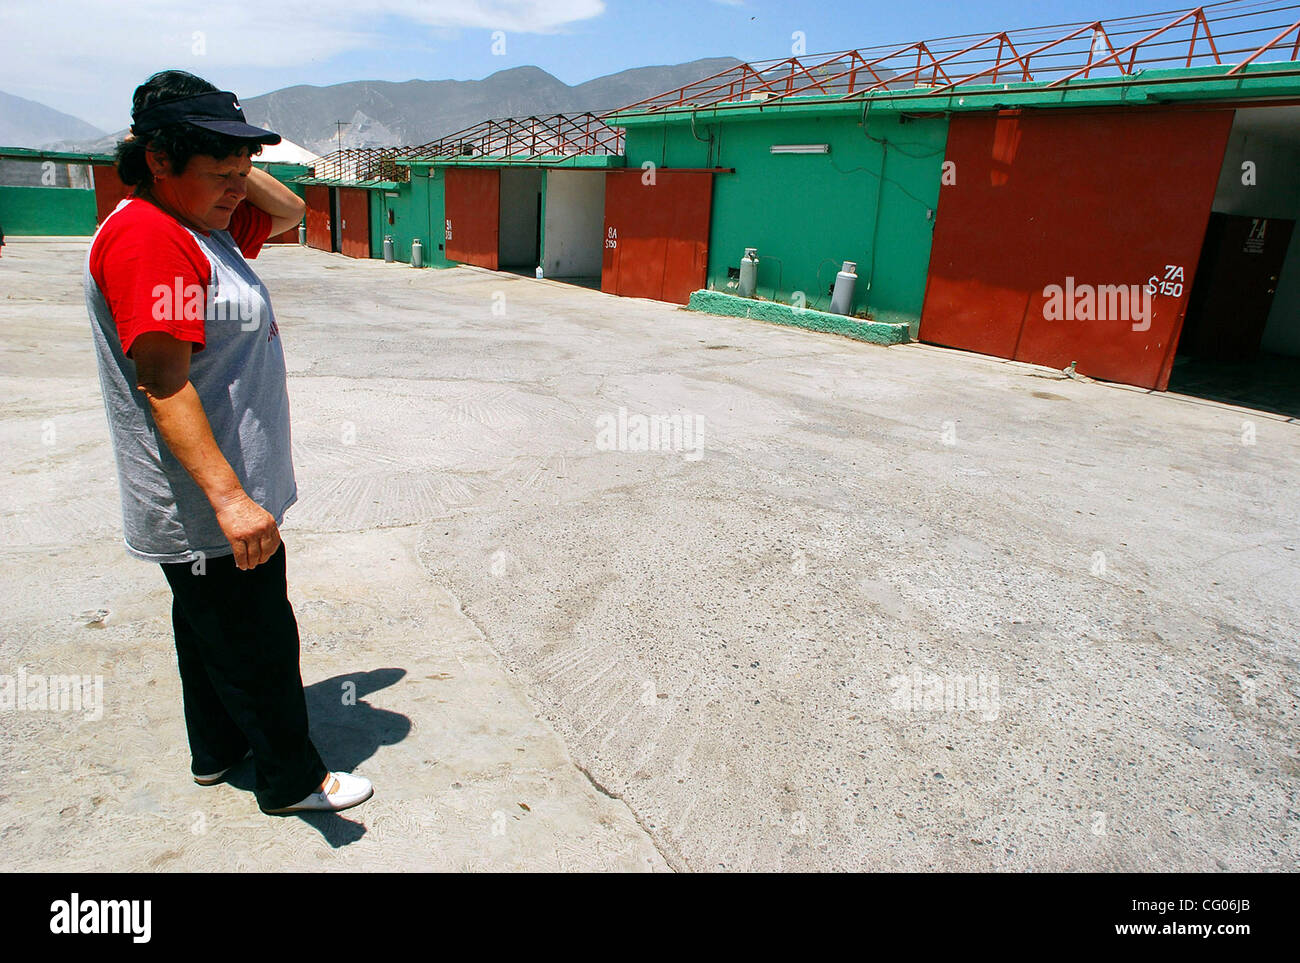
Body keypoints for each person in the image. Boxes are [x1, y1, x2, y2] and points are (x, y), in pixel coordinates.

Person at [84, 69, 373, 815]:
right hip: (210, 502)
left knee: (208, 631)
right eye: (221, 174)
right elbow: (165, 383)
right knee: (259, 642)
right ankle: (291, 780)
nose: (239, 190)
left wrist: (237, 162)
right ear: (157, 161)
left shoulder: (199, 221)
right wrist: (232, 500)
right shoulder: (152, 237)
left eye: (243, 173)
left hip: (220, 495)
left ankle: (216, 752)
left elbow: (294, 210)